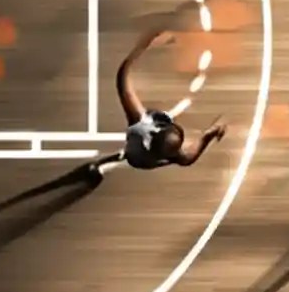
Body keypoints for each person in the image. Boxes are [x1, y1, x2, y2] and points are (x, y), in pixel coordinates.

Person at [85, 29, 226, 183]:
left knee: (130, 154)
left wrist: (144, 46)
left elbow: (123, 77)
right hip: (144, 162)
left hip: (135, 155)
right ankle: (111, 163)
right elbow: (191, 156)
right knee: (132, 156)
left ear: (154, 133)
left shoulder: (140, 124)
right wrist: (211, 133)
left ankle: (107, 165)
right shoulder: (176, 155)